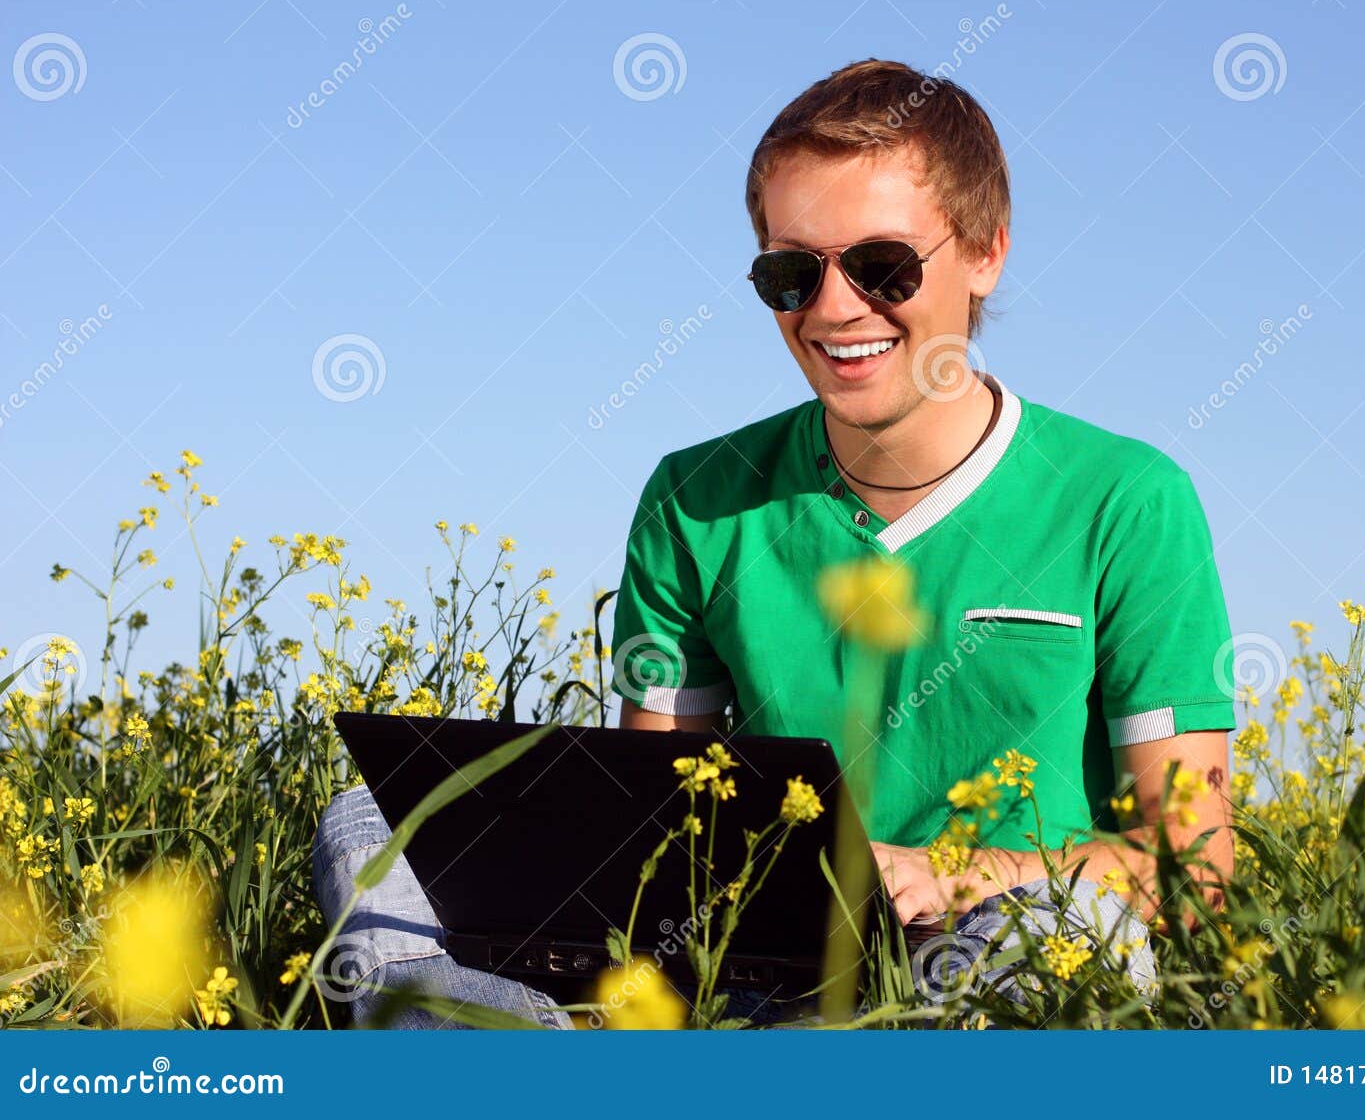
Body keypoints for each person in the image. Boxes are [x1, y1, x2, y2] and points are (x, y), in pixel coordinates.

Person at [312, 58, 1233, 1028]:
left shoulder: (1126, 500)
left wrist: (953, 871)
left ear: (986, 252)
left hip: (991, 946)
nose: (833, 308)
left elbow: (1192, 869)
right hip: (762, 965)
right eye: (791, 272)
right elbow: (652, 828)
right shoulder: (694, 499)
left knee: (1057, 925)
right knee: (371, 825)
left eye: (883, 266)